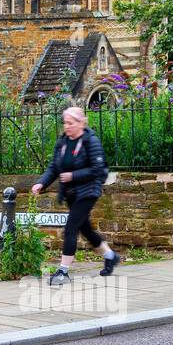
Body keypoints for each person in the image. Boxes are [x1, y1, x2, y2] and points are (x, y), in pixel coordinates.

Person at [31, 105, 120, 286]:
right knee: (85, 228)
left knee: (70, 228)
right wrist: (42, 183)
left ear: (81, 123)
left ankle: (63, 272)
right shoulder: (63, 142)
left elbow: (98, 170)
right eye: (65, 123)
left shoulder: (90, 141)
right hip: (71, 193)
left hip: (88, 191)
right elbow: (54, 167)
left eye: (71, 123)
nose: (67, 126)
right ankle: (110, 256)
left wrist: (73, 176)